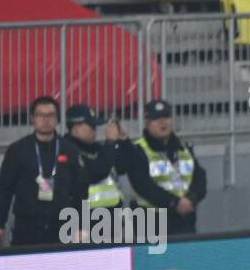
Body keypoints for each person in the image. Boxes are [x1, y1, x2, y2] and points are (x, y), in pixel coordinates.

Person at [0, 96, 88, 247]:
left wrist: (81, 225)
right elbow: (4, 189)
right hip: (27, 226)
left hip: (62, 225)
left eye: (50, 115)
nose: (45, 120)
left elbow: (80, 190)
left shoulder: (69, 150)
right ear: (32, 119)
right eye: (40, 115)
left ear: (57, 119)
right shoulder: (18, 150)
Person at [124, 99, 206, 235]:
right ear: (147, 122)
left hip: (184, 222)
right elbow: (143, 185)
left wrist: (191, 199)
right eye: (157, 118)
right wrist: (174, 203)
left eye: (166, 117)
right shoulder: (137, 150)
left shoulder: (184, 148)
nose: (163, 122)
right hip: (150, 224)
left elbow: (200, 178)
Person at [65, 104, 127, 216]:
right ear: (76, 127)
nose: (95, 131)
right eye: (92, 126)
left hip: (112, 219)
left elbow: (126, 165)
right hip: (82, 220)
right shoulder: (67, 151)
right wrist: (110, 143)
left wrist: (124, 141)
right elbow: (98, 171)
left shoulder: (96, 148)